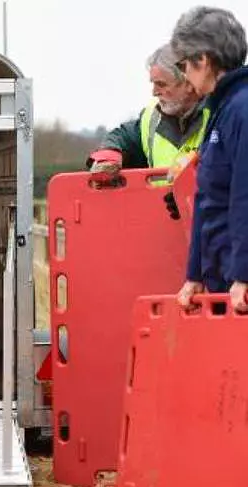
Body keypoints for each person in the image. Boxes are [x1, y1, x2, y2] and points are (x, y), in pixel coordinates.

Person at [170, 6, 248, 313]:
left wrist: (244, 275)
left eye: (183, 65)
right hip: (222, 281)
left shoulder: (242, 111)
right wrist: (195, 274)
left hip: (238, 290)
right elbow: (207, 199)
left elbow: (244, 197)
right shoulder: (219, 111)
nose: (185, 76)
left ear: (203, 60)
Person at [87, 43, 208, 184]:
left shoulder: (222, 115)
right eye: (153, 83)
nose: (154, 92)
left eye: (161, 84)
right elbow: (122, 137)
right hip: (158, 205)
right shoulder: (151, 116)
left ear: (189, 84)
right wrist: (108, 157)